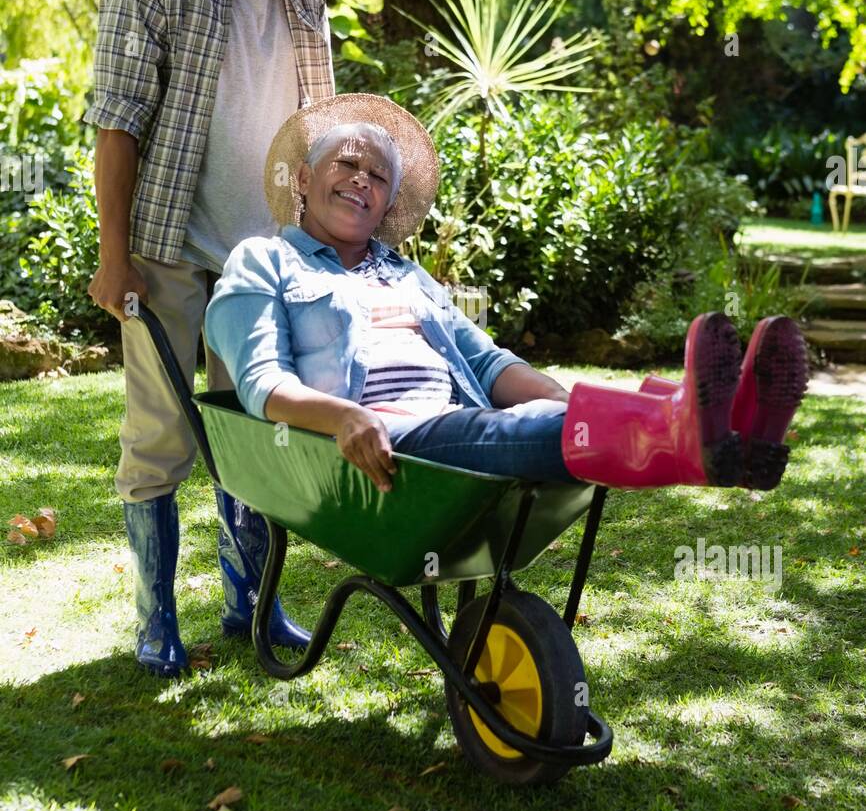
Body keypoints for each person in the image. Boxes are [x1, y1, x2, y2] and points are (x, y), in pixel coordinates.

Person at [204, 94, 809, 508]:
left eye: (379, 176)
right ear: (304, 180)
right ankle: (693, 432)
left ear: (388, 205)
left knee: (540, 414)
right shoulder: (265, 261)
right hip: (379, 448)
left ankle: (736, 435)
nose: (363, 179)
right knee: (504, 431)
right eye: (348, 163)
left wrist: (565, 400)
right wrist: (345, 417)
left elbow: (488, 364)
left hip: (453, 427)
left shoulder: (410, 278)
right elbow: (260, 384)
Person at [85, 0, 351, 679]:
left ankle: (254, 602)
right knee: (161, 434)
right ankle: (156, 617)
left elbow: (320, 130)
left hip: (266, 260)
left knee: (256, 432)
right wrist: (112, 254)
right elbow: (117, 124)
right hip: (167, 246)